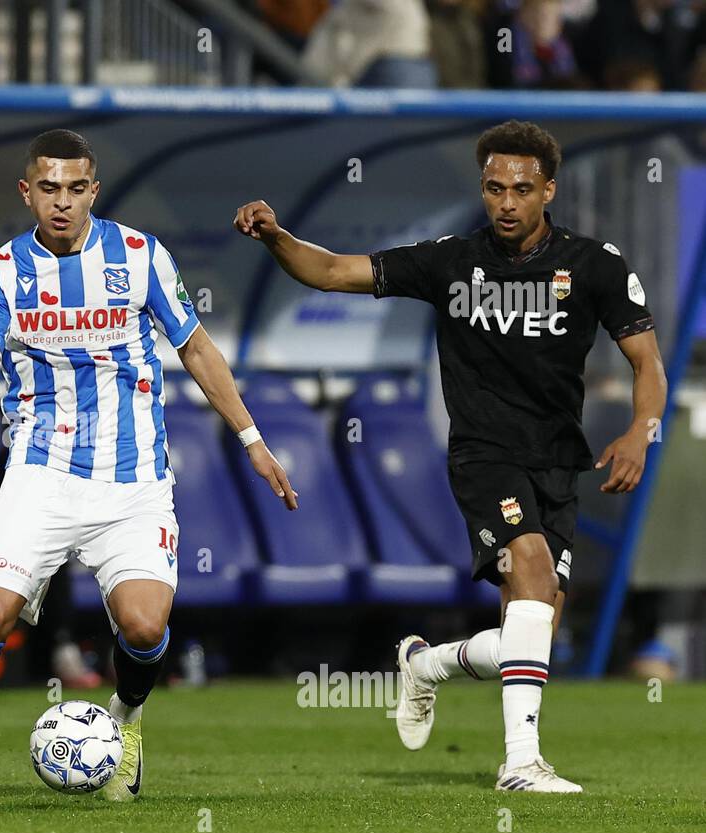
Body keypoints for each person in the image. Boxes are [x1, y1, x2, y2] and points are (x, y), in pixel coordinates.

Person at [234, 119, 667, 792]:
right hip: (483, 455)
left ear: (548, 190)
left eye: (522, 189)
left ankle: (427, 665)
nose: (506, 203)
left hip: (558, 462)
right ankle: (522, 763)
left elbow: (647, 362)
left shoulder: (595, 266)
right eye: (494, 188)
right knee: (528, 568)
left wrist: (642, 429)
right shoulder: (449, 262)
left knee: (535, 622)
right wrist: (276, 237)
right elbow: (330, 271)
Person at [0, 129, 297, 804]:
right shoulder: (0, 271)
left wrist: (253, 439)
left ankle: (127, 723)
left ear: (95, 191)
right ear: (27, 192)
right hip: (41, 469)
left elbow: (198, 350)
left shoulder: (139, 256)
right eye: (48, 189)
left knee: (144, 628)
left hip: (134, 475)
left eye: (75, 188)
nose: (62, 202)